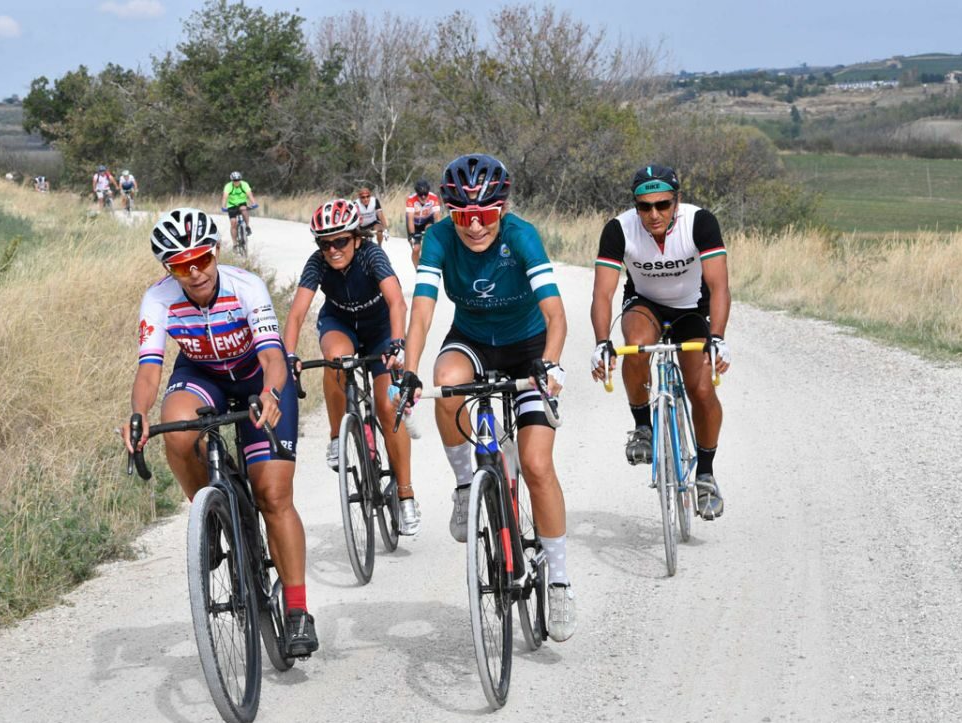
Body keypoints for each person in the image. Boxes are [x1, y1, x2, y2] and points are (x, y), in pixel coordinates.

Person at [395, 153, 576, 642]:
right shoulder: (437, 238)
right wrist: (408, 373)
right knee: (445, 387)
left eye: (486, 215)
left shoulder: (522, 236)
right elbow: (422, 312)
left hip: (528, 348)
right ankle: (463, 488)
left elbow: (557, 316)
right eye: (463, 216)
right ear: (448, 212)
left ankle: (558, 580)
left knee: (537, 465)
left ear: (504, 208)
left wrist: (552, 363)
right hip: (472, 340)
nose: (475, 227)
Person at [120, 207, 317, 657]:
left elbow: (271, 355)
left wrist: (270, 393)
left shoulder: (245, 287)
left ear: (215, 253)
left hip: (257, 376)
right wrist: (139, 414)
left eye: (202, 259)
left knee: (272, 495)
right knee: (178, 434)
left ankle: (297, 609)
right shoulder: (158, 299)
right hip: (203, 373)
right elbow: (149, 369)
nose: (194, 272)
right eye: (180, 265)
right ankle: (209, 514)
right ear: (168, 269)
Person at [589, 165, 731, 520]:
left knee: (701, 389)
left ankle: (706, 475)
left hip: (691, 309)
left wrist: (718, 339)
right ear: (635, 206)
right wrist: (601, 342)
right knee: (635, 345)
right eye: (644, 206)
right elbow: (602, 293)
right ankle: (642, 426)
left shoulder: (700, 222)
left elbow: (719, 286)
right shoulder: (619, 229)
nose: (654, 214)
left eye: (663, 205)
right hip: (645, 304)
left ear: (677, 202)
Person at [282, 199, 422, 535]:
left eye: (340, 241)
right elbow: (297, 314)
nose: (333, 250)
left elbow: (396, 302)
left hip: (379, 330)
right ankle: (336, 436)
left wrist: (398, 343)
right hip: (340, 323)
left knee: (388, 408)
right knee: (337, 361)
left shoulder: (372, 255)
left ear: (356, 238)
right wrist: (287, 355)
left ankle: (405, 495)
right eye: (325, 243)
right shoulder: (317, 263)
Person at [404, 178, 442, 268]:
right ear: (417, 193)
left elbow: (437, 216)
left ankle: (428, 255)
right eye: (421, 195)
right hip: (414, 224)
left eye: (425, 194)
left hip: (427, 221)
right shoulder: (411, 200)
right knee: (416, 249)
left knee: (429, 229)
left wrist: (440, 230)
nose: (423, 197)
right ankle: (417, 270)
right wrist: (412, 235)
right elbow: (410, 219)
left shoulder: (434, 198)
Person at [221, 171, 258, 240]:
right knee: (233, 223)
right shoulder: (228, 186)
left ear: (240, 180)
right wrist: (223, 206)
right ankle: (234, 244)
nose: (236, 182)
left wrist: (254, 203)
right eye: (235, 180)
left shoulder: (244, 184)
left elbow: (249, 195)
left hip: (242, 203)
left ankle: (247, 226)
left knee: (244, 210)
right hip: (231, 205)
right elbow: (225, 197)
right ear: (232, 181)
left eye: (238, 180)